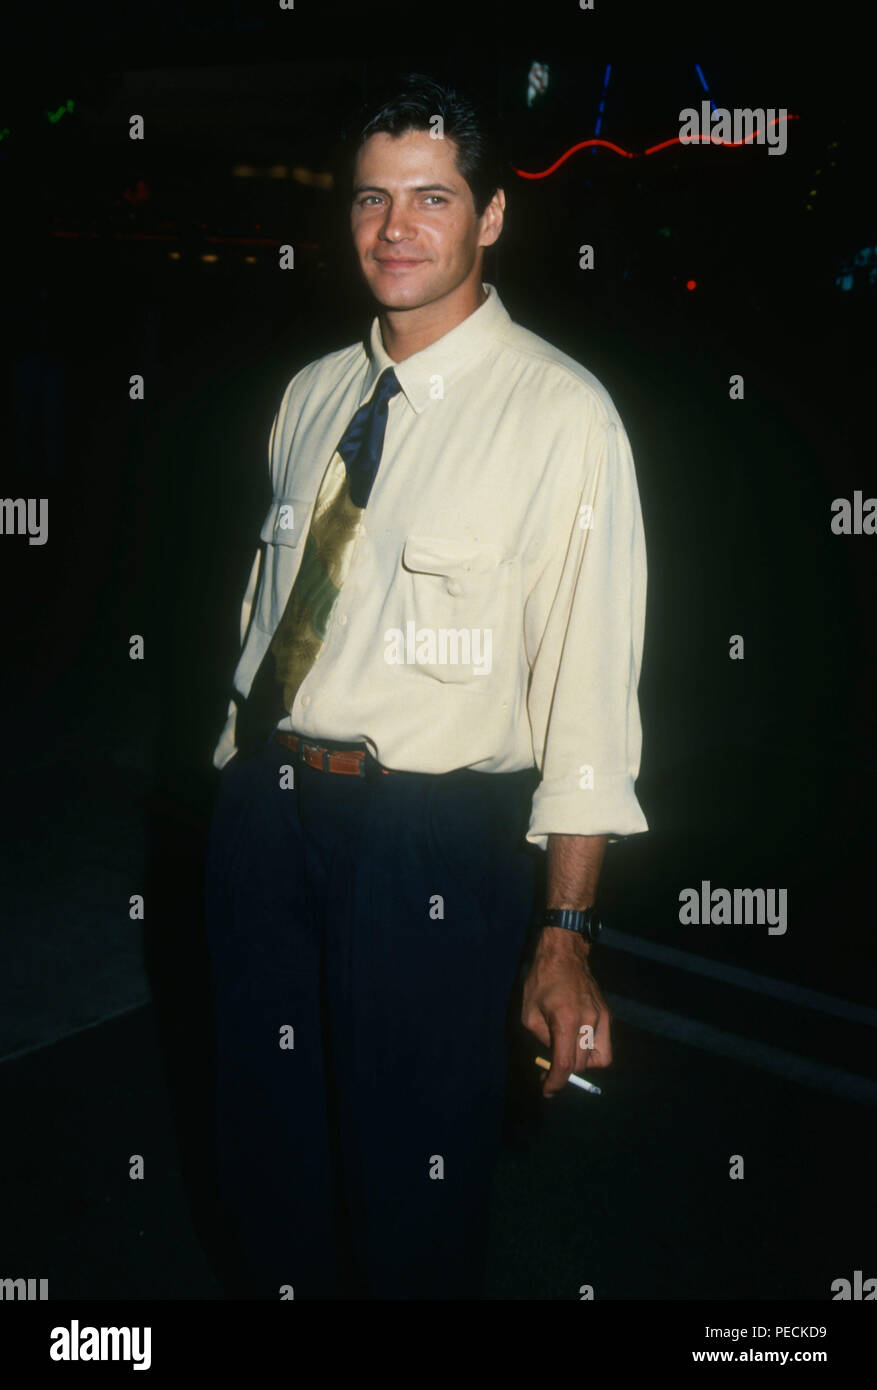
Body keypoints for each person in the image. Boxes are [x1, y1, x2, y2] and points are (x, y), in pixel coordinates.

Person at [205, 73, 649, 1301]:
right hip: (264, 817)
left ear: (492, 216)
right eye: (371, 199)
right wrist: (233, 782)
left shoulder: (562, 416)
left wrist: (564, 934)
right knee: (267, 1169)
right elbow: (265, 609)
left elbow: (588, 696)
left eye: (431, 199)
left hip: (429, 843)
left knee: (414, 1191)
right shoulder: (310, 395)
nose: (394, 228)